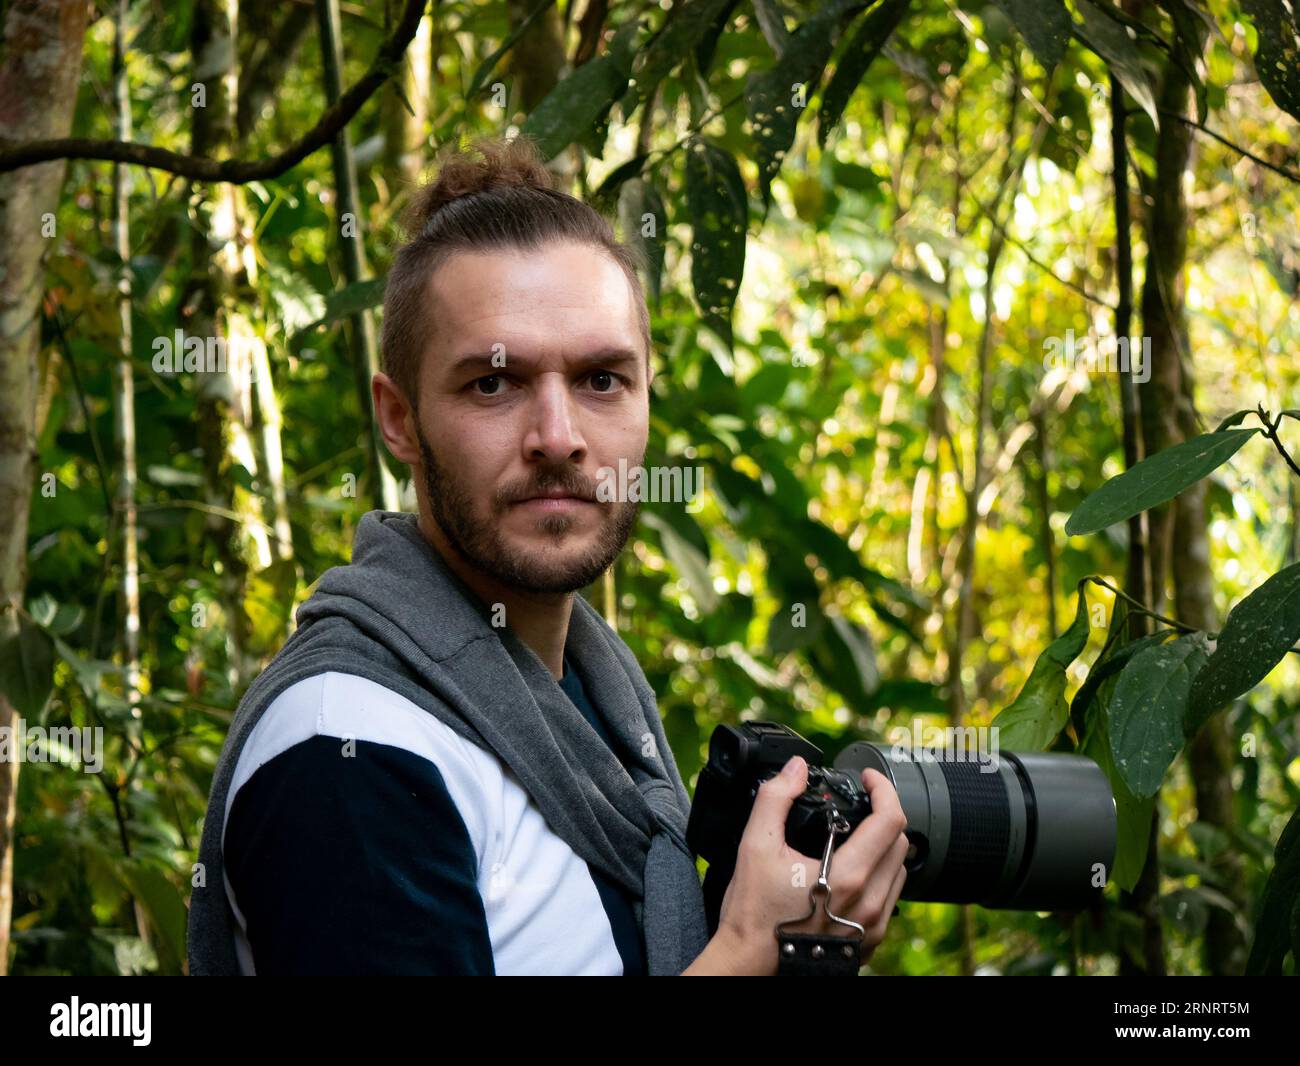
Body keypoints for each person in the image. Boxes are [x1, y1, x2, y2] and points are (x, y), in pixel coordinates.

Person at [186, 135, 909, 976]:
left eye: (602, 379)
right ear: (398, 418)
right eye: (493, 383)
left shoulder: (594, 702)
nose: (559, 439)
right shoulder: (348, 748)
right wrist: (755, 948)